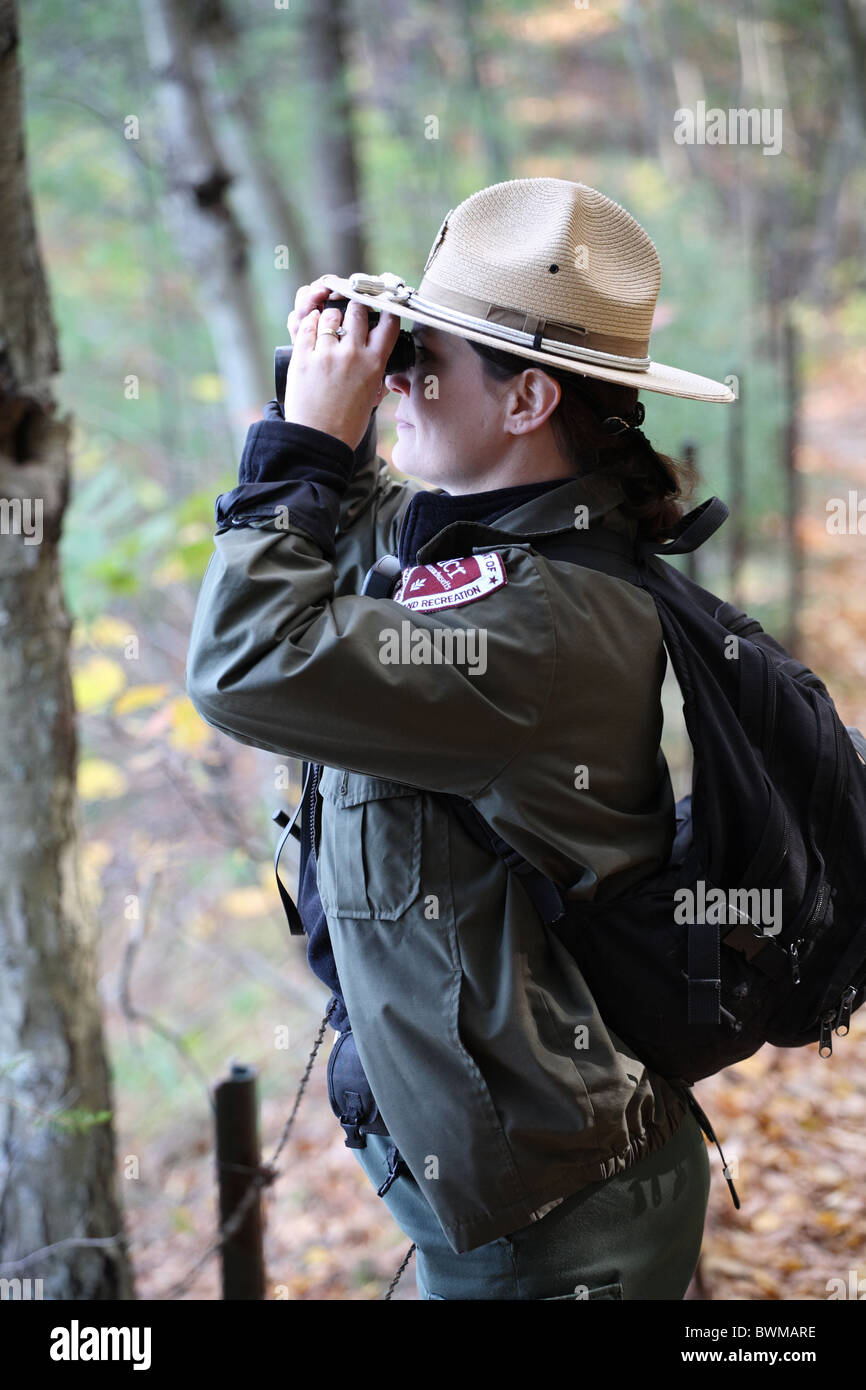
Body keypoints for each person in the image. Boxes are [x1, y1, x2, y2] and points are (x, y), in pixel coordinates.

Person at [186, 177, 735, 1300]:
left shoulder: (534, 624)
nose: (400, 382)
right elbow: (367, 547)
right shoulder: (512, 547)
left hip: (555, 1237)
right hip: (527, 1207)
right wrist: (322, 406)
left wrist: (300, 452)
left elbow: (245, 664)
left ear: (527, 400)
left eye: (425, 362)